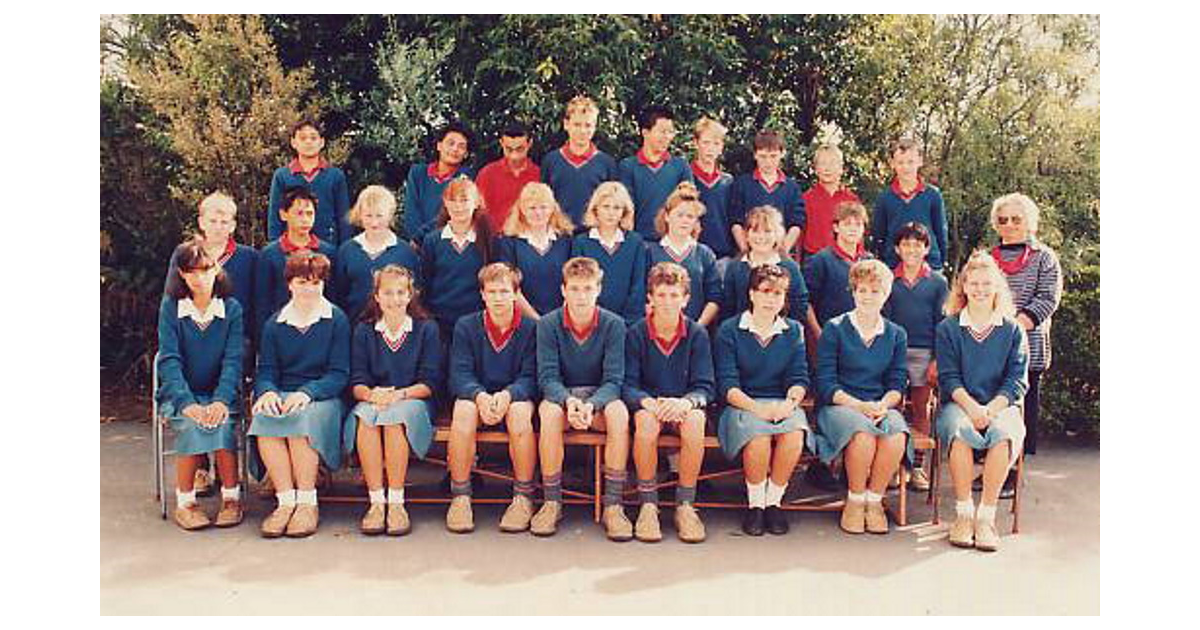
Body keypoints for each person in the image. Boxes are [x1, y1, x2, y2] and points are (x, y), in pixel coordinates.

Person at [162, 192, 258, 496]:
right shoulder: (185, 253)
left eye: (224, 221)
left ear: (233, 225)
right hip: (192, 336)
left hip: (232, 337)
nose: (218, 226)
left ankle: (231, 479)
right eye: (212, 220)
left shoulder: (248, 257)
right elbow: (172, 298)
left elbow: (254, 304)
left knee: (226, 381)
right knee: (189, 378)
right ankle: (201, 469)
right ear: (201, 222)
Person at [249, 252, 350, 538]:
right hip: (284, 392)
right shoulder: (274, 324)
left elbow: (339, 374)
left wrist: (307, 393)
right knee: (265, 417)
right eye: (303, 282)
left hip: (323, 398)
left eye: (317, 282)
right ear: (290, 284)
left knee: (299, 420)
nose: (310, 288)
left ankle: (307, 503)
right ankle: (285, 502)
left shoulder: (336, 320)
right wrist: (267, 392)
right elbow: (266, 370)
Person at [935, 252, 1030, 552]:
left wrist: (991, 410)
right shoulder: (949, 328)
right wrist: (973, 409)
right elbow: (949, 378)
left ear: (997, 287)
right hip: (960, 404)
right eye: (973, 283)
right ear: (963, 286)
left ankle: (985, 519)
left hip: (1000, 406)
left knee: (1003, 435)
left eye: (986, 283)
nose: (979, 289)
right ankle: (964, 515)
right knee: (960, 432)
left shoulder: (1012, 329)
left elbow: (1017, 380)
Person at [533, 258, 631, 540]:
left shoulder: (614, 324)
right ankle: (552, 502)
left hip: (598, 399)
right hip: (564, 398)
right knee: (548, 413)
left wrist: (592, 404)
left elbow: (614, 380)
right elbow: (547, 377)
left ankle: (613, 505)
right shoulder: (548, 324)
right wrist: (568, 402)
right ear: (563, 290)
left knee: (619, 414)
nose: (581, 296)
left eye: (588, 288)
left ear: (598, 289)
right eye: (574, 289)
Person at [814, 259, 911, 536]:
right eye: (862, 290)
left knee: (896, 433)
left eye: (875, 291)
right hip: (839, 406)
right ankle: (855, 501)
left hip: (879, 405)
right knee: (862, 434)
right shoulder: (834, 328)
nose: (868, 296)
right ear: (853, 292)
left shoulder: (896, 334)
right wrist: (858, 406)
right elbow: (825, 383)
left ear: (886, 294)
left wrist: (883, 405)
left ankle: (875, 501)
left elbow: (896, 382)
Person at [713, 264, 811, 536]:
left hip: (780, 402)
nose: (771, 299)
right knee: (757, 437)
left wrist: (790, 404)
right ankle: (755, 505)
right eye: (765, 292)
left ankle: (773, 503)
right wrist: (758, 409)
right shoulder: (729, 330)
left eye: (778, 294)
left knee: (793, 434)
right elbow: (727, 384)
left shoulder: (793, 330)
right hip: (741, 404)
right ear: (752, 294)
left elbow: (799, 377)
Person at [346, 265, 442, 537]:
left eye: (401, 292)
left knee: (392, 420)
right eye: (388, 292)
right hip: (375, 399)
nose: (395, 298)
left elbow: (430, 382)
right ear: (376, 296)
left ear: (411, 295)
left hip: (413, 399)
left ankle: (397, 503)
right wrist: (371, 394)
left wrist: (399, 395)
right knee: (365, 419)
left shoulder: (426, 329)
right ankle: (377, 502)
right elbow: (357, 381)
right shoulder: (364, 331)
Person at [157, 238, 246, 531]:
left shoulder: (231, 309)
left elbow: (233, 360)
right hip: (181, 393)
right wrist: (187, 403)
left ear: (216, 269)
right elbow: (169, 360)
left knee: (220, 423)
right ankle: (186, 503)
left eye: (205, 270)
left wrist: (220, 400)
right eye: (191, 272)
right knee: (194, 423)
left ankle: (231, 499)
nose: (199, 278)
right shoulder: (172, 308)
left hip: (220, 392)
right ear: (181, 274)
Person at [624, 262, 715, 543]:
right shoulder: (637, 333)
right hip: (651, 406)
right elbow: (627, 383)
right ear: (649, 298)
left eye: (674, 295)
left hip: (681, 406)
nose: (667, 302)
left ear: (686, 299)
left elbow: (706, 386)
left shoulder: (697, 334)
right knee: (646, 425)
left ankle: (685, 505)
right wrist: (647, 402)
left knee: (696, 421)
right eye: (661, 295)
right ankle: (648, 504)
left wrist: (686, 403)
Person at [446, 263, 539, 533]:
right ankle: (461, 496)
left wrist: (509, 395)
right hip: (479, 396)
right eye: (492, 291)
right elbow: (459, 374)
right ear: (482, 294)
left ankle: (522, 497)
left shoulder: (531, 328)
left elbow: (532, 376)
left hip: (514, 396)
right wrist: (480, 396)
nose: (498, 297)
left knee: (520, 414)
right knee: (462, 411)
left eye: (504, 291)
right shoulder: (467, 326)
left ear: (515, 293)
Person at [989, 193, 1063, 469]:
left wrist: (1014, 327)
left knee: (1020, 411)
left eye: (1016, 219)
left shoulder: (1045, 258)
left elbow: (1047, 299)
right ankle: (991, 468)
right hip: (989, 348)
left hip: (1028, 347)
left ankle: (1013, 471)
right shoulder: (987, 258)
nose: (1009, 225)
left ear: (1030, 222)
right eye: (1002, 219)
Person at [882, 221, 948, 491]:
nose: (912, 249)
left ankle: (917, 467)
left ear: (926, 249)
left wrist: (936, 359)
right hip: (894, 352)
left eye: (918, 244)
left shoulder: (937, 282)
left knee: (921, 408)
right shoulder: (888, 278)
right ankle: (895, 466)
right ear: (897, 248)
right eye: (906, 244)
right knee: (893, 408)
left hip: (924, 352)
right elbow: (883, 319)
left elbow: (942, 324)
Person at [419, 177, 493, 345]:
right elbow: (425, 283)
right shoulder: (432, 241)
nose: (458, 206)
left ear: (476, 203)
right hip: (440, 323)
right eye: (453, 200)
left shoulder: (487, 239)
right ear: (445, 203)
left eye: (465, 200)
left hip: (476, 324)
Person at [255, 187, 338, 336]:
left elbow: (334, 298)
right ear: (283, 214)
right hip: (281, 332)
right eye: (299, 213)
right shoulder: (269, 255)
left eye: (310, 214)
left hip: (320, 332)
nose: (305, 219)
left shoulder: (328, 252)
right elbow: (262, 304)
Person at [332, 185, 421, 323]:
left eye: (379, 216)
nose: (374, 223)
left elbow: (415, 294)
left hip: (395, 332)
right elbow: (338, 295)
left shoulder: (405, 252)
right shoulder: (347, 251)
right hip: (356, 329)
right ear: (360, 215)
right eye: (368, 215)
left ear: (390, 215)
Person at [645, 182, 721, 327]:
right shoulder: (649, 252)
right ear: (667, 216)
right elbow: (643, 295)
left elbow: (714, 298)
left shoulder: (704, 254)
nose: (685, 220)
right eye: (679, 214)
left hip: (696, 331)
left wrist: (697, 328)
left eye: (690, 216)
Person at [495, 182, 575, 319]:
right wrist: (536, 320)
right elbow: (510, 286)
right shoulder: (509, 242)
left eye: (543, 207)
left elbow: (573, 282)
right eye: (532, 208)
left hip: (562, 319)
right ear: (522, 210)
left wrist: (557, 319)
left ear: (552, 209)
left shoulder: (566, 240)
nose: (538, 213)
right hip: (522, 320)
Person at [570, 181, 648, 321]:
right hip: (591, 321)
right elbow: (578, 284)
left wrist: (628, 320)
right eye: (606, 207)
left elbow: (638, 285)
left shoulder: (635, 242)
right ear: (595, 209)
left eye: (617, 208)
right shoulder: (581, 242)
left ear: (624, 212)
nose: (611, 213)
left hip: (628, 321)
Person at [267, 119, 352, 245]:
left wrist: (344, 250)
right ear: (293, 142)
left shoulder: (335, 176)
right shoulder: (282, 176)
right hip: (292, 248)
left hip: (328, 247)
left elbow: (344, 217)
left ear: (322, 142)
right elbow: (275, 217)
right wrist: (276, 248)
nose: (308, 142)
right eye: (303, 138)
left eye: (313, 138)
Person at [871, 136, 949, 271]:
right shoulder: (885, 198)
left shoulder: (933, 195)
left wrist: (940, 261)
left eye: (910, 162)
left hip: (929, 265)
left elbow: (940, 232)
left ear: (920, 161)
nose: (905, 167)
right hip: (894, 266)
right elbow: (879, 235)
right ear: (892, 164)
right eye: (900, 162)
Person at [721, 205, 809, 324]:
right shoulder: (735, 266)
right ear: (746, 234)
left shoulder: (789, 267)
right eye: (755, 231)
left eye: (767, 231)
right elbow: (727, 307)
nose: (761, 237)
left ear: (778, 235)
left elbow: (799, 305)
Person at [540, 96, 619, 226]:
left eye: (588, 125)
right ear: (566, 124)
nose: (582, 131)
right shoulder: (551, 161)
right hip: (559, 233)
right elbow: (544, 201)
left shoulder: (606, 163)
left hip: (594, 235)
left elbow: (613, 203)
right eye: (577, 125)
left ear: (595, 127)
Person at [619, 105, 694, 241]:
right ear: (645, 132)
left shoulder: (680, 166)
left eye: (670, 132)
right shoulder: (628, 167)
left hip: (671, 243)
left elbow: (689, 206)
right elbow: (625, 210)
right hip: (639, 242)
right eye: (661, 131)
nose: (667, 137)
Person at [729, 130, 805, 255]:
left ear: (782, 154)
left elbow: (796, 224)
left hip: (780, 254)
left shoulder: (792, 187)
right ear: (755, 155)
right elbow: (735, 222)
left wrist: (783, 251)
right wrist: (745, 251)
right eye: (763, 156)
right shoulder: (742, 184)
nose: (768, 162)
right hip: (750, 254)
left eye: (773, 156)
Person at [404, 122, 474, 242]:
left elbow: (451, 215)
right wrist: (416, 239)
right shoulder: (418, 173)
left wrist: (429, 241)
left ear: (466, 154)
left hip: (445, 243)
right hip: (415, 245)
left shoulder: (466, 179)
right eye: (450, 143)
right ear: (439, 145)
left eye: (461, 146)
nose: (455, 149)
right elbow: (411, 212)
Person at [690, 117, 737, 277]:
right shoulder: (686, 177)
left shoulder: (728, 181)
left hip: (723, 256)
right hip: (692, 253)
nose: (710, 149)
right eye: (706, 142)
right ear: (696, 143)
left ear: (722, 147)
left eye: (716, 144)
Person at [475, 122, 541, 232]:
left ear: (530, 144)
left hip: (529, 241)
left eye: (520, 149)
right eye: (509, 149)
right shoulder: (487, 174)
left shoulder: (540, 175)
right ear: (501, 143)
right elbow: (477, 212)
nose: (514, 156)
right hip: (495, 241)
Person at [799, 144, 860, 261]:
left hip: (844, 258)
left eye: (832, 163)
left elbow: (858, 235)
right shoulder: (806, 199)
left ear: (841, 168)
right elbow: (800, 236)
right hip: (813, 258)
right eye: (822, 163)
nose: (827, 168)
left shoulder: (851, 200)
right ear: (816, 169)